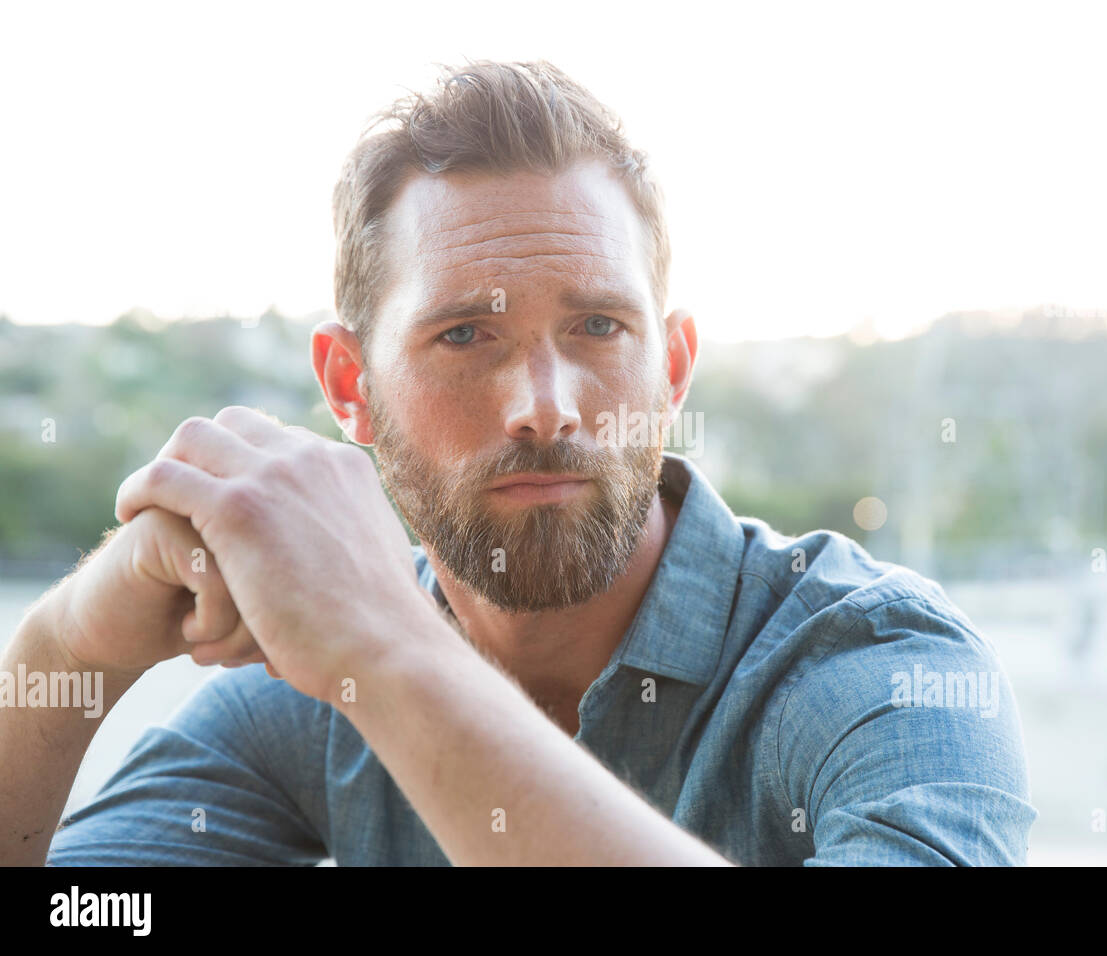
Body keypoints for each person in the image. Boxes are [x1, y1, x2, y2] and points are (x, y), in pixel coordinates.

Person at [1, 60, 1036, 866]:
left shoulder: (881, 667)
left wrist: (398, 658)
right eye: (464, 336)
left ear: (670, 367)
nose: (545, 406)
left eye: (595, 325)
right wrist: (70, 641)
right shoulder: (315, 696)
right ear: (349, 384)